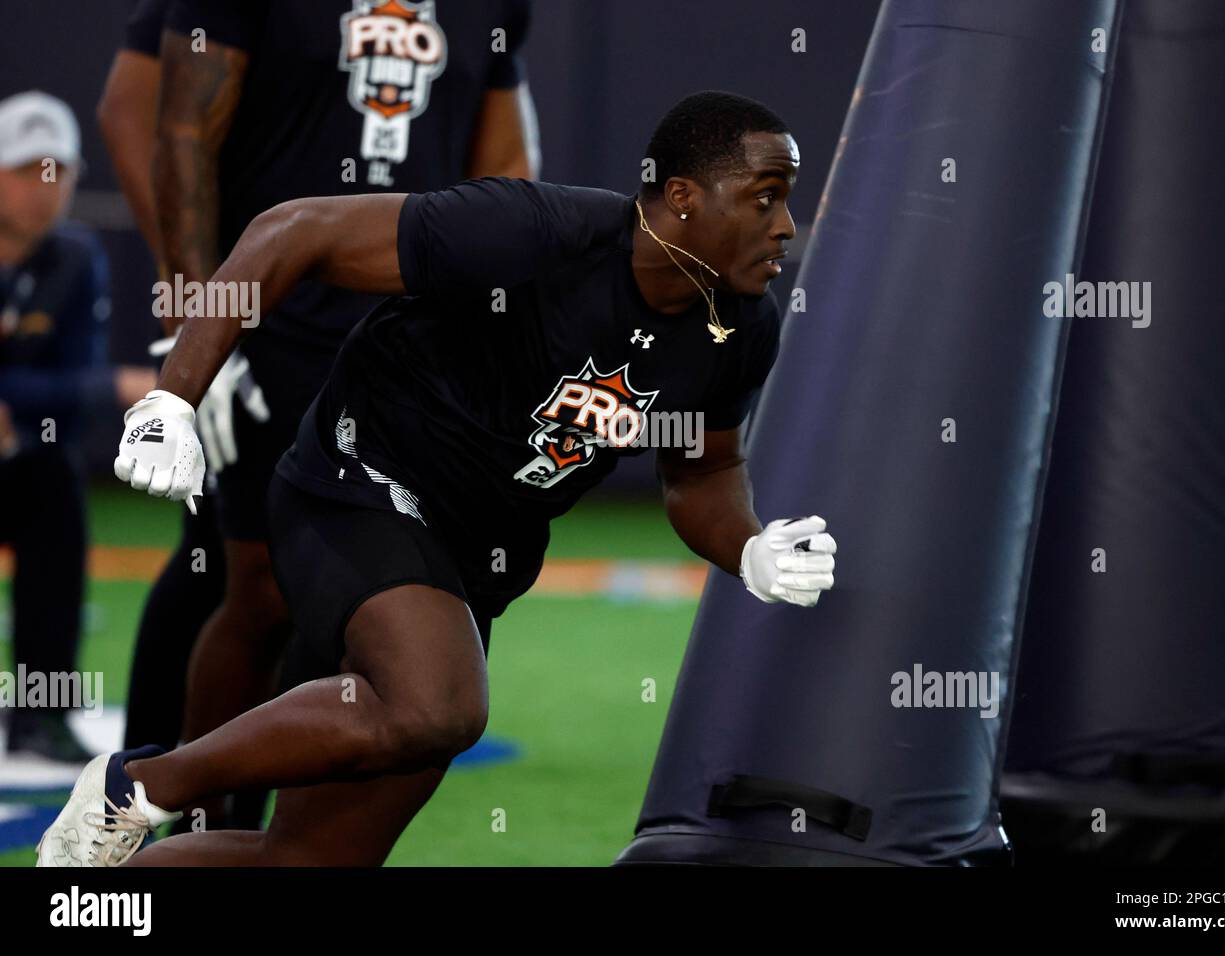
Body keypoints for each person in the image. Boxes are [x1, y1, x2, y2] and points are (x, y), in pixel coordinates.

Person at [38, 91, 837, 867]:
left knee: (312, 859)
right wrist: (173, 399)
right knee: (440, 705)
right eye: (765, 197)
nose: (786, 225)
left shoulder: (738, 328)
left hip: (471, 557)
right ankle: (140, 783)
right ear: (683, 197)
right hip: (360, 479)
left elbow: (703, 474)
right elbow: (294, 229)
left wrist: (751, 550)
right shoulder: (537, 233)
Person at [126, 0, 540, 832]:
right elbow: (179, 135)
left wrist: (503, 329)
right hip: (274, 313)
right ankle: (201, 814)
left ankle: (285, 839)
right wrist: (195, 326)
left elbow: (506, 168)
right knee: (260, 587)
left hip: (417, 338)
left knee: (370, 602)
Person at [0, 91, 155, 763]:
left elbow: (69, 393)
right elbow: (88, 385)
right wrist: (113, 387)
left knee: (56, 488)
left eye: (59, 171)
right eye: (29, 168)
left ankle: (42, 711)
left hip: (22, 455)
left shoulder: (74, 258)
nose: (47, 188)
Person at [97, 0, 229, 757]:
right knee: (227, 555)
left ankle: (238, 815)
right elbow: (127, 108)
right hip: (249, 310)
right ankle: (143, 788)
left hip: (367, 309)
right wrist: (197, 295)